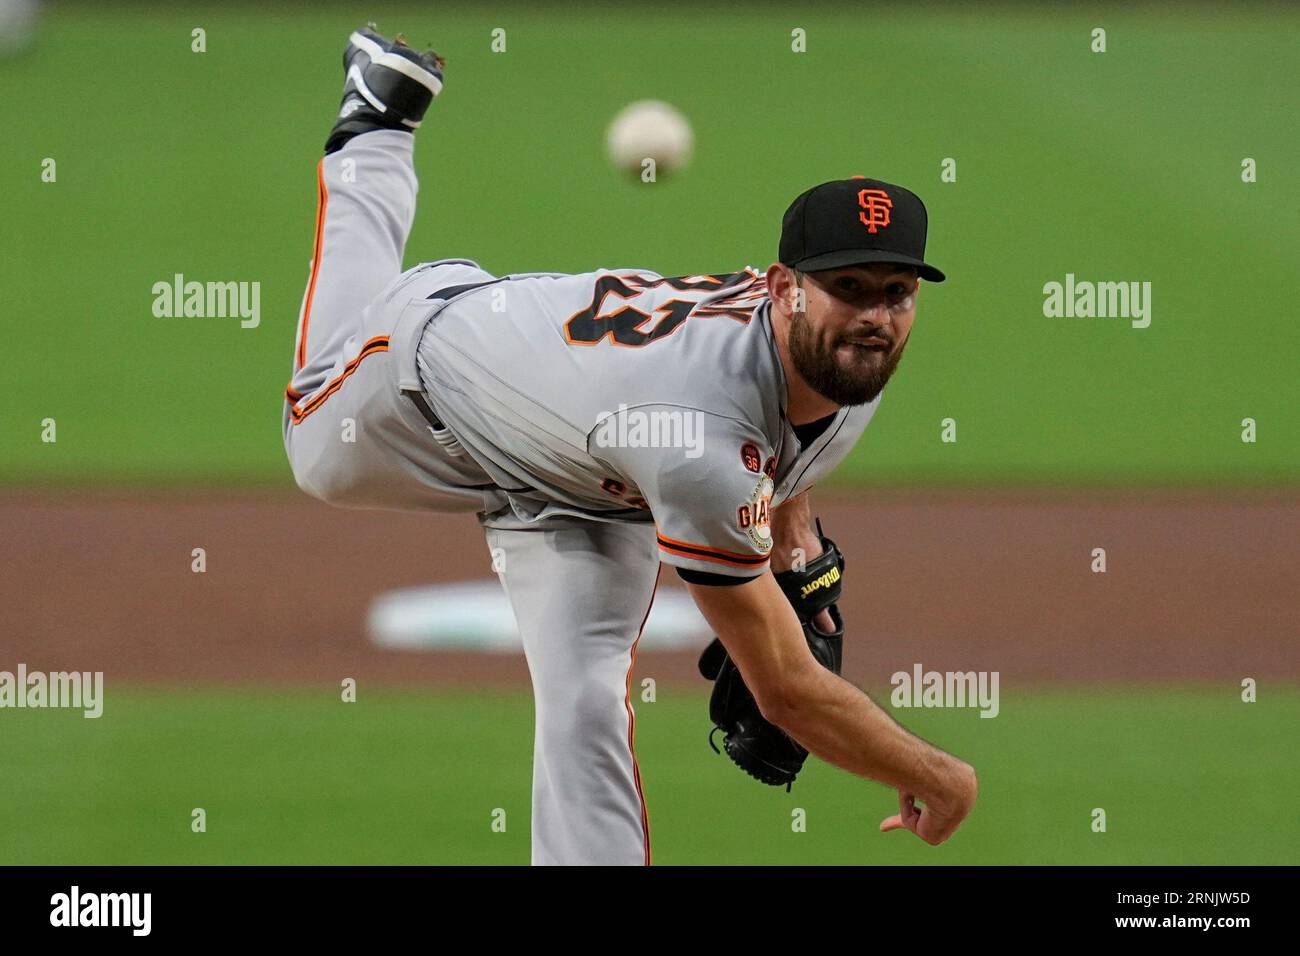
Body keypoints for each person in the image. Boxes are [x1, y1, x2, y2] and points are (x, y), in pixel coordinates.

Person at [284, 25, 977, 866]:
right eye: (849, 289)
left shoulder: (844, 364)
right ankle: (375, 131)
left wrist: (801, 559)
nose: (875, 315)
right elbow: (788, 692)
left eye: (896, 293)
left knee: (585, 704)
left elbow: (783, 449)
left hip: (594, 476)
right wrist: (940, 777)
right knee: (314, 445)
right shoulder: (700, 445)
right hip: (427, 375)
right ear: (784, 288)